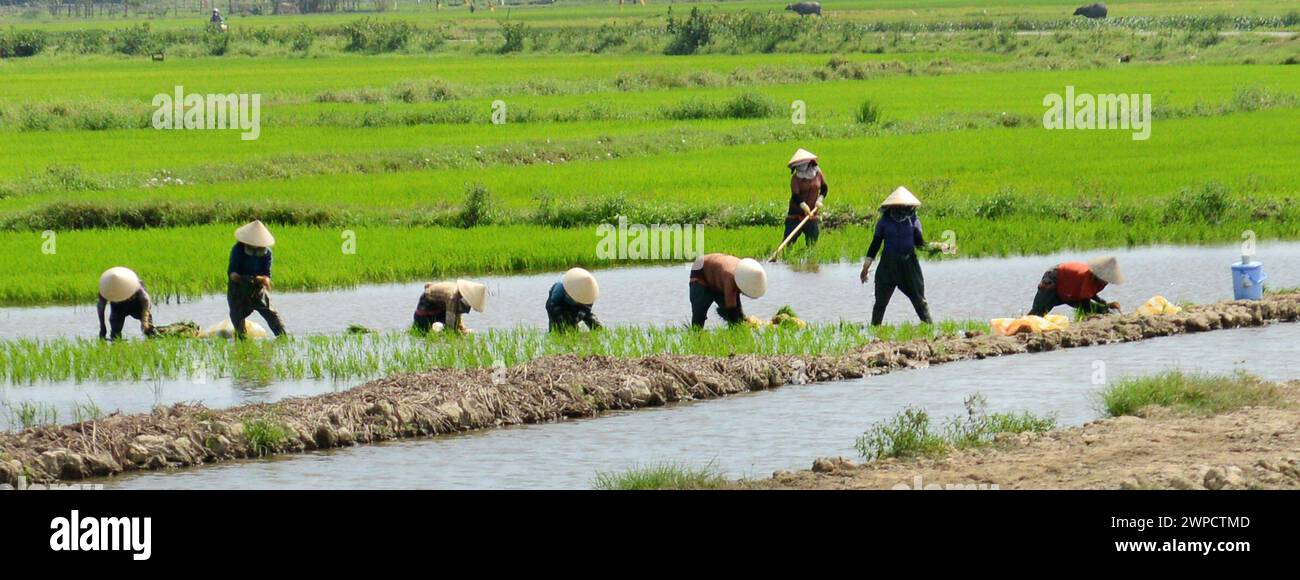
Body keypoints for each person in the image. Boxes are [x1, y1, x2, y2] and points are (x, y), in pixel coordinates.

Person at [860, 186, 947, 326]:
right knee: (880, 302)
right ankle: (875, 330)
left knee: (919, 300)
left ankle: (930, 328)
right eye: (898, 206)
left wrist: (939, 247)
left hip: (909, 265)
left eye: (903, 206)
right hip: (888, 266)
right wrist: (865, 267)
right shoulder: (884, 222)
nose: (901, 209)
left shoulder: (913, 220)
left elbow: (920, 243)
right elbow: (875, 245)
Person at [227, 220, 286, 339]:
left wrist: (263, 280)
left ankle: (283, 338)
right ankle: (243, 347)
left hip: (257, 289)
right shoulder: (238, 250)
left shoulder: (266, 252)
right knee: (238, 322)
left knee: (271, 315)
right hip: (239, 288)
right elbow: (232, 274)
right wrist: (245, 279)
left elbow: (267, 275)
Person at [689, 253, 767, 328]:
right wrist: (736, 326)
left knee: (739, 317)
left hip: (718, 276)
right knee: (698, 319)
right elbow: (731, 308)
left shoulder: (745, 272)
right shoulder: (730, 277)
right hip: (700, 272)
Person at [1028, 256, 1124, 317]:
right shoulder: (1088, 276)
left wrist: (1102, 302)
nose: (1105, 281)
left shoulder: (1101, 282)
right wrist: (1104, 308)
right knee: (1038, 311)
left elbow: (1089, 292)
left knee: (1041, 314)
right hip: (1054, 277)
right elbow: (1085, 303)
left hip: (1068, 287)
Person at [97, 267, 157, 340]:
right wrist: (102, 327)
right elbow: (100, 308)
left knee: (149, 330)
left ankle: (150, 340)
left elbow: (146, 301)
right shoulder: (106, 289)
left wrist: (145, 320)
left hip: (137, 305)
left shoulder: (135, 285)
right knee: (115, 334)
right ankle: (116, 346)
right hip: (118, 308)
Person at [784, 148, 828, 247]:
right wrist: (804, 206)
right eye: (798, 166)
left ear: (809, 163)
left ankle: (810, 261)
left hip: (812, 215)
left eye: (802, 164)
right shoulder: (796, 178)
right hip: (795, 215)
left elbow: (824, 188)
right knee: (789, 243)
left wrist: (819, 200)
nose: (800, 167)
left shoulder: (818, 174)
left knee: (812, 243)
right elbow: (796, 196)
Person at [413, 279, 487, 333]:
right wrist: (455, 332)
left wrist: (462, 328)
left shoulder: (459, 295)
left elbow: (458, 314)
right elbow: (450, 322)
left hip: (440, 305)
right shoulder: (452, 297)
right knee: (428, 329)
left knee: (450, 326)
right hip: (427, 304)